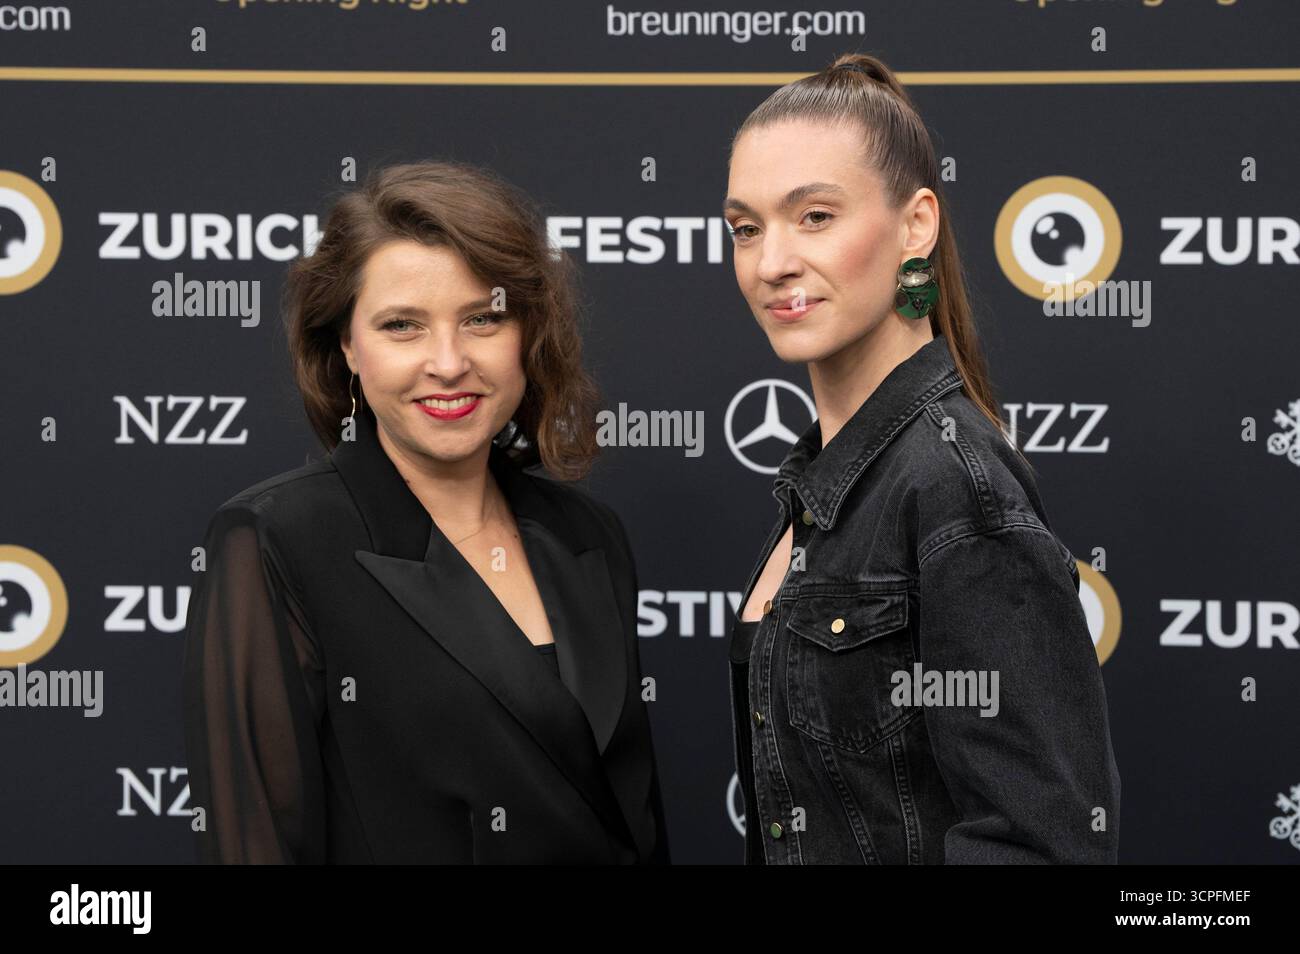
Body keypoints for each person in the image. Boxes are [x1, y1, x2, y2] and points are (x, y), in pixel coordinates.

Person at [182, 160, 669, 864]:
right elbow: (255, 847)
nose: (448, 362)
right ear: (347, 346)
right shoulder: (275, 540)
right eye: (402, 326)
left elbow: (635, 818)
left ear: (527, 333)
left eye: (482, 318)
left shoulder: (587, 534)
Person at [722, 53, 1121, 864]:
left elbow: (1041, 844)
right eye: (746, 227)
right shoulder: (826, 478)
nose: (771, 263)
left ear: (917, 226)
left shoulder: (954, 487)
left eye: (816, 217)